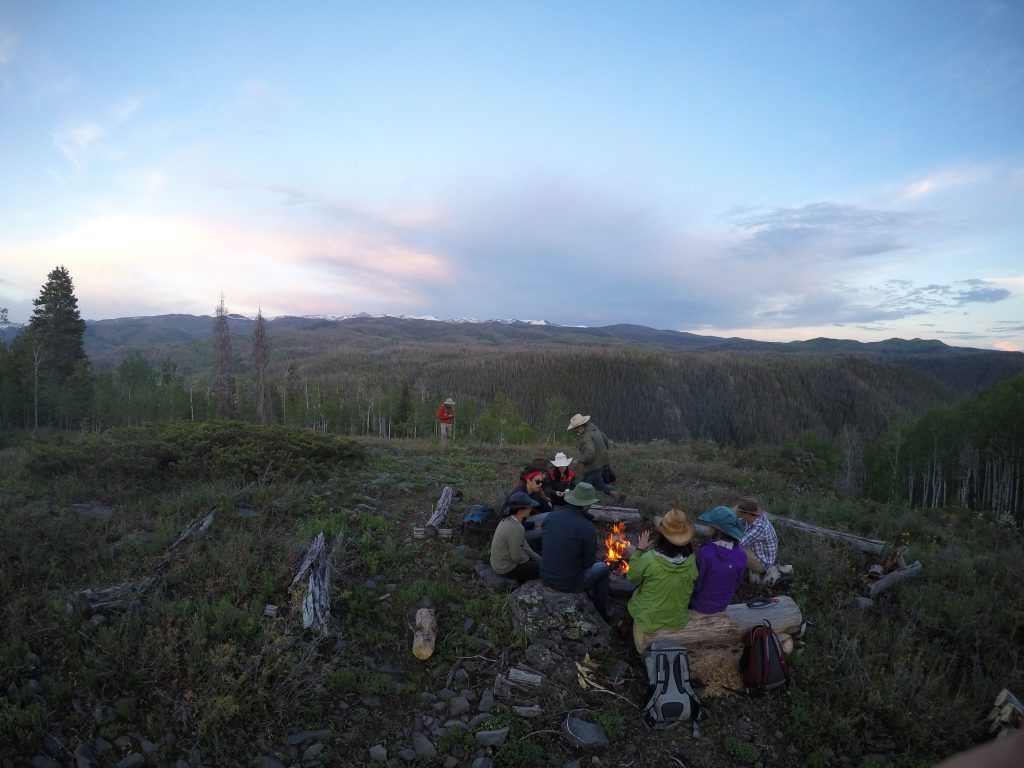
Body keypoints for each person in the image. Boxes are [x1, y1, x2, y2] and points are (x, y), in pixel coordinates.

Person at [624, 508, 698, 653]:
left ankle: (635, 647)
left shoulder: (650, 559)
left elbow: (632, 577)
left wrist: (639, 550)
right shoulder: (691, 561)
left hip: (648, 619)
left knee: (634, 601)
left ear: (662, 536)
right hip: (676, 618)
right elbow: (693, 578)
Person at [540, 482, 612, 621]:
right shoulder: (587, 527)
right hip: (568, 584)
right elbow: (588, 564)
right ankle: (601, 610)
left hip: (545, 575)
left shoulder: (551, 516)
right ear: (586, 505)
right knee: (603, 568)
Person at [690, 506, 747, 613]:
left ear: (717, 530)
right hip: (723, 604)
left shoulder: (706, 552)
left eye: (710, 525)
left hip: (700, 605)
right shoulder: (741, 554)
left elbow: (697, 584)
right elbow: (737, 581)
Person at [566, 413, 625, 504]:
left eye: (575, 427)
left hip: (593, 465)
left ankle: (580, 505)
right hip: (603, 461)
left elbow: (590, 454)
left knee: (584, 487)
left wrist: (580, 460)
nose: (574, 430)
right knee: (597, 482)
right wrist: (602, 451)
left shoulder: (586, 437)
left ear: (580, 425)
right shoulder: (594, 429)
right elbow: (605, 439)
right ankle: (614, 493)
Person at [734, 495, 791, 585]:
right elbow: (737, 522)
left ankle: (739, 575)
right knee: (735, 546)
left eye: (741, 513)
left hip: (763, 564)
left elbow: (737, 542)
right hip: (757, 554)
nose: (740, 514)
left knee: (736, 549)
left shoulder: (759, 527)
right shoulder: (753, 518)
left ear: (747, 513)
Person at [490, 492, 542, 584]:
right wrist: (530, 560)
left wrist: (536, 557)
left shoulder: (508, 520)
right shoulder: (516, 528)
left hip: (498, 563)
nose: (531, 509)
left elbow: (524, 544)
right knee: (540, 568)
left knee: (537, 562)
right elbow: (517, 558)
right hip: (505, 569)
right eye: (529, 507)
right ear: (520, 510)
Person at [503, 465, 554, 541]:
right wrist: (534, 524)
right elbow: (511, 524)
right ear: (528, 480)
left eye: (541, 482)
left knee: (552, 516)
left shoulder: (532, 492)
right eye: (538, 482)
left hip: (524, 521)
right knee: (550, 529)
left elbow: (543, 508)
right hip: (513, 532)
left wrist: (555, 513)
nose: (540, 484)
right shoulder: (519, 496)